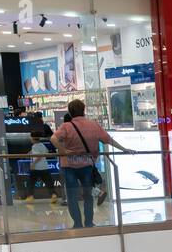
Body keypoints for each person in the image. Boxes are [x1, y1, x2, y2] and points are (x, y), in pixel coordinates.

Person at [50, 98, 131, 229]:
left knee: (72, 196)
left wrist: (63, 150)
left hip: (69, 166)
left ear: (70, 112)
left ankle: (77, 223)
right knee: (88, 195)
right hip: (87, 165)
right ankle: (89, 222)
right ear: (84, 110)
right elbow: (108, 140)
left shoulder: (66, 126)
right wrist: (124, 149)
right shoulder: (94, 125)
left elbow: (53, 138)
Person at [24, 132, 57, 202]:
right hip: (45, 167)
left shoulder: (34, 146)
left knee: (30, 182)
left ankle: (30, 196)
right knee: (49, 182)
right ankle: (53, 195)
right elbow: (46, 152)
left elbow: (39, 156)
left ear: (33, 138)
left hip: (36, 168)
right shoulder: (42, 145)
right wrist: (31, 152)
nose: (30, 138)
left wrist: (33, 164)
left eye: (30, 137)